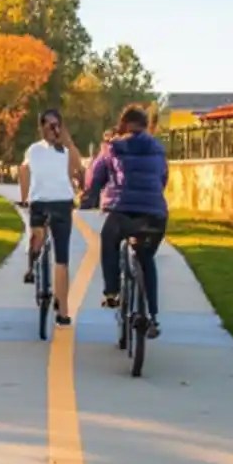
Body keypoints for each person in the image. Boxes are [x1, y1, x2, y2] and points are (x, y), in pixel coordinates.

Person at [87, 105, 168, 338]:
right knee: (146, 258)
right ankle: (152, 317)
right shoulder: (158, 148)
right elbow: (163, 178)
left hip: (122, 211)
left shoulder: (113, 147)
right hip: (154, 215)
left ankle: (111, 292)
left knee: (108, 239)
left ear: (123, 125)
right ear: (144, 126)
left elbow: (95, 176)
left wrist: (91, 195)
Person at [18, 109, 82, 326]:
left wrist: (69, 142)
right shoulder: (35, 150)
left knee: (60, 259)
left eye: (56, 126)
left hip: (60, 204)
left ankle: (62, 309)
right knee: (42, 240)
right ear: (42, 128)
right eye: (49, 126)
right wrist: (25, 197)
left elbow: (77, 168)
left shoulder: (65, 150)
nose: (53, 130)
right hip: (45, 203)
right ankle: (34, 260)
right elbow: (24, 170)